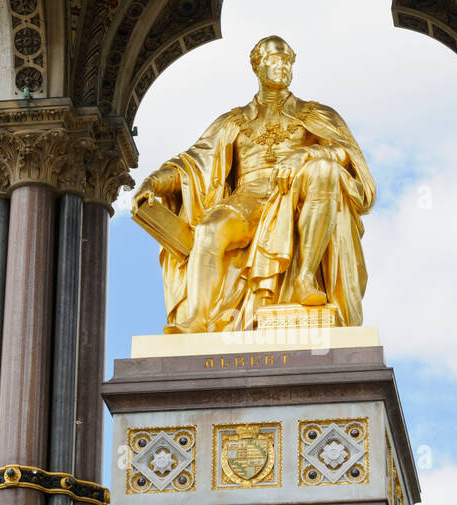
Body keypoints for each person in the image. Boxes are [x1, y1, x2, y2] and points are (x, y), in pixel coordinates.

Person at [131, 36, 376, 331]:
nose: (282, 66)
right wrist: (153, 183)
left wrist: (307, 155)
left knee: (324, 170)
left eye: (287, 61)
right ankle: (197, 316)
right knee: (209, 229)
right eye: (275, 59)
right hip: (246, 199)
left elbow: (347, 155)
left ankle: (305, 277)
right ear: (257, 67)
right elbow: (194, 162)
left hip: (296, 194)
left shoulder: (315, 114)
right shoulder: (233, 121)